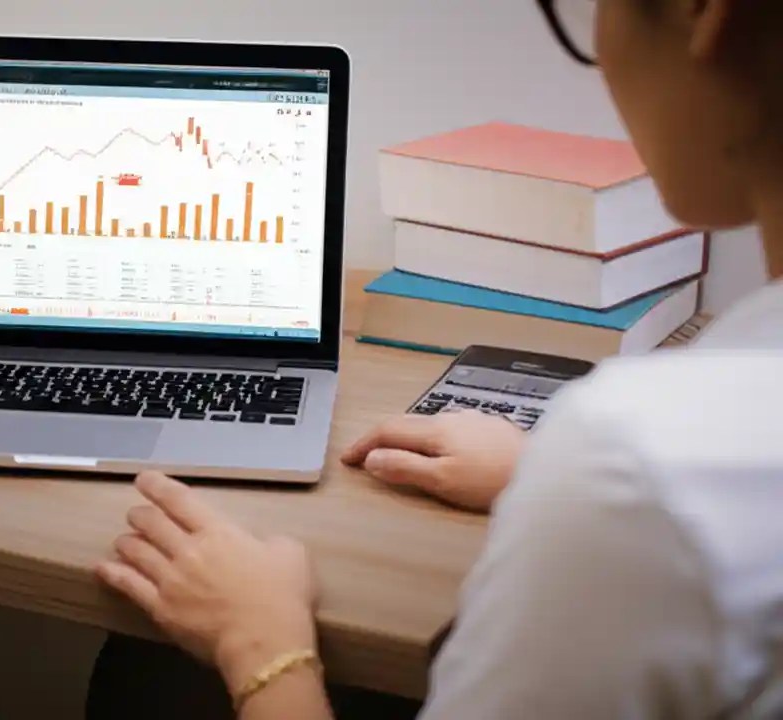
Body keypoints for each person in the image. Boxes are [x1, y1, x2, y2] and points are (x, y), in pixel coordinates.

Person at [93, 0, 783, 717]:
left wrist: (259, 645)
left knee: (145, 677)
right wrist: (539, 477)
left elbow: (658, 499)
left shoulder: (640, 461)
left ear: (709, 19)